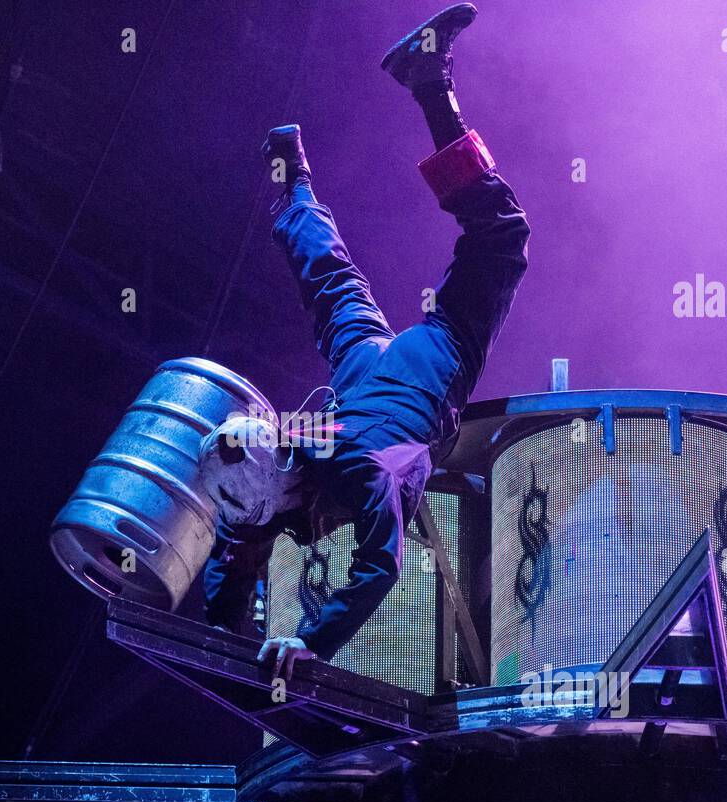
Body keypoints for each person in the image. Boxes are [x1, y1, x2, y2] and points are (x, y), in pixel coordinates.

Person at [198, 3, 530, 680]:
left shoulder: (363, 472)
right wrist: (226, 636)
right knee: (331, 282)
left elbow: (379, 567)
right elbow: (230, 573)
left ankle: (429, 80)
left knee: (501, 238)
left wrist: (307, 643)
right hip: (359, 380)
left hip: (422, 368)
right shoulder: (273, 466)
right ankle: (287, 170)